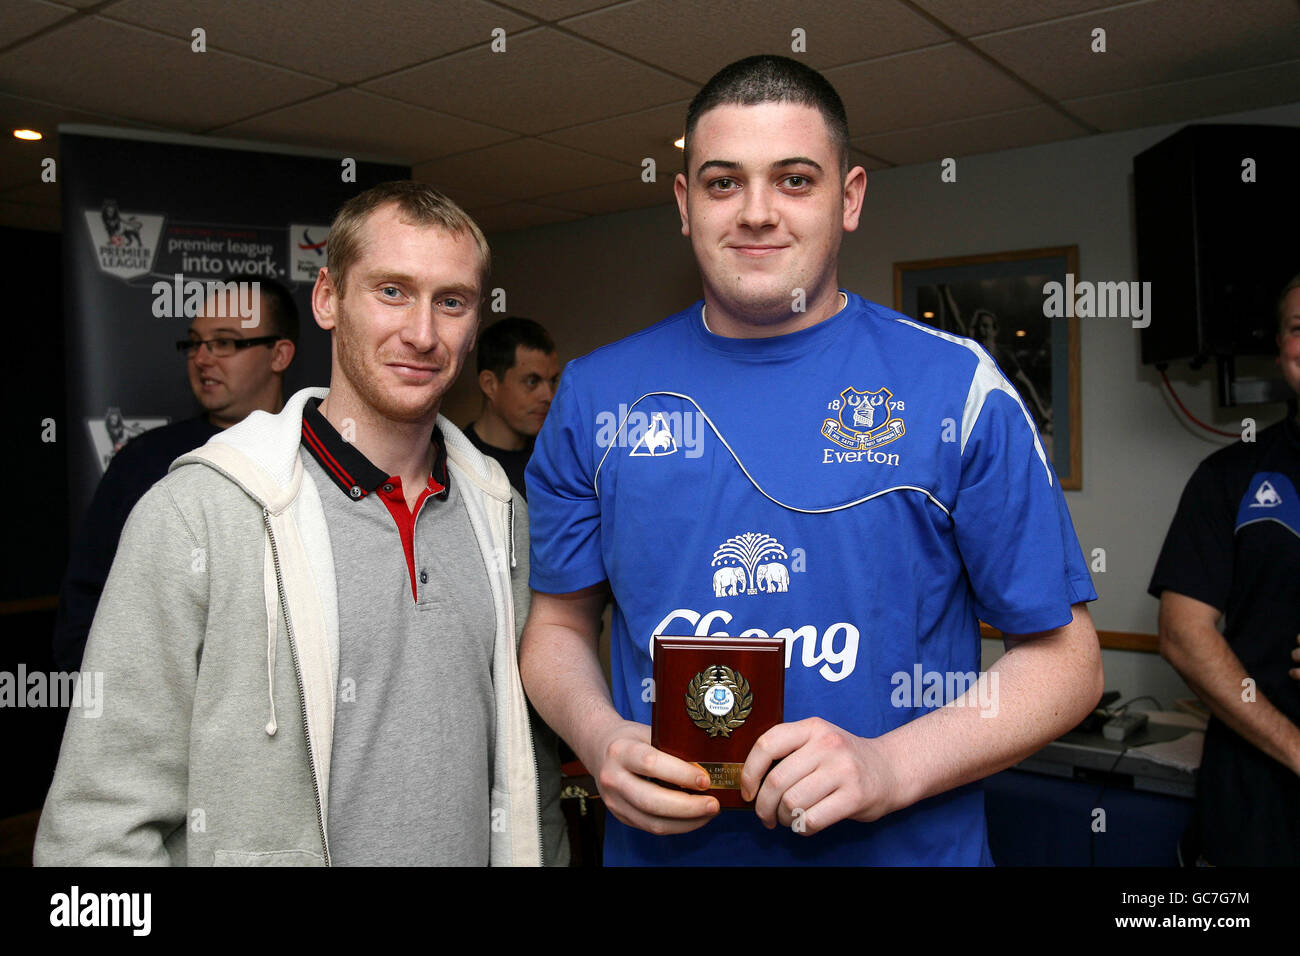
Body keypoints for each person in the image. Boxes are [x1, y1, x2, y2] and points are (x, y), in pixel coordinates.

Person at [520, 55, 1102, 866]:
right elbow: (556, 626)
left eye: (795, 179)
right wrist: (598, 734)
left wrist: (889, 766)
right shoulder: (594, 397)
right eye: (723, 183)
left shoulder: (956, 387)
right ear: (686, 204)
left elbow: (1067, 663)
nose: (757, 213)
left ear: (849, 198)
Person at [37, 181, 565, 866]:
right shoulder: (200, 513)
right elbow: (99, 824)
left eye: (452, 302)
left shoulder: (502, 518)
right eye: (392, 292)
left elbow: (532, 782)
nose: (423, 333)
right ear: (328, 300)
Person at [52, 279, 298, 672]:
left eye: (225, 342)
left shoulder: (314, 456)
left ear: (279, 354)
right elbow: (85, 608)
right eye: (195, 343)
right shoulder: (143, 463)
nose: (202, 358)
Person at [1150, 274, 1300, 866]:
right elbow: (1183, 635)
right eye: (1298, 328)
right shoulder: (1228, 477)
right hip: (1249, 821)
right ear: (1280, 348)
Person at [464, 316, 561, 501]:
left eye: (552, 381)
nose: (549, 396)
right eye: (532, 381)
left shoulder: (555, 460)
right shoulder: (456, 463)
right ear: (490, 385)